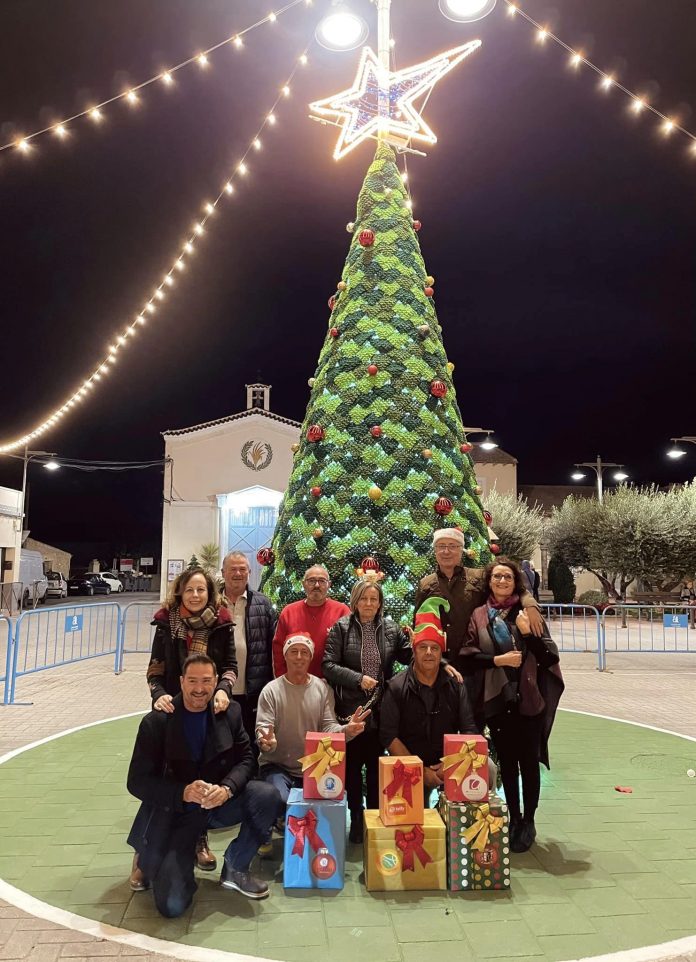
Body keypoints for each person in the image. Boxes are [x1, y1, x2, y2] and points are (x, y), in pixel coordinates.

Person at [126, 654, 278, 915]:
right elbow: (136, 781)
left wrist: (227, 788)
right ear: (181, 682)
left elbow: (247, 758)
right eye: (193, 681)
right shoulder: (157, 722)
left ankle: (235, 867)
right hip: (178, 813)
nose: (199, 688)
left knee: (266, 795)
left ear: (217, 681)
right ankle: (152, 857)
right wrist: (182, 793)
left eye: (207, 681)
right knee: (171, 907)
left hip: (218, 804)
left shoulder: (229, 712)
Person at [461, 558, 564, 853]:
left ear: (515, 581)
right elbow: (468, 654)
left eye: (507, 577)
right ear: (490, 582)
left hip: (529, 701)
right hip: (498, 700)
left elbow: (550, 658)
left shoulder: (528, 612)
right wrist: (498, 661)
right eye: (497, 578)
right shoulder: (480, 615)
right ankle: (514, 817)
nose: (502, 582)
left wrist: (529, 635)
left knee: (529, 764)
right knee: (507, 763)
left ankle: (529, 821)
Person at [144, 567, 237, 873]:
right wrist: (158, 694)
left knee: (203, 769)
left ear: (210, 593)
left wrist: (223, 689)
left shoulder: (222, 623)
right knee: (164, 775)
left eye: (201, 590)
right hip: (174, 709)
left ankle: (199, 839)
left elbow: (230, 667)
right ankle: (144, 851)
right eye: (190, 590)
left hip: (208, 708)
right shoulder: (165, 622)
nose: (196, 596)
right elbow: (155, 670)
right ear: (180, 592)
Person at [379, 596, 483, 805]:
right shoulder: (396, 687)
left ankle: (456, 822)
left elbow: (470, 729)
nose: (428, 653)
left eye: (434, 648)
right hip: (409, 760)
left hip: (449, 761)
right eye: (422, 647)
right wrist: (420, 771)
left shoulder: (456, 685)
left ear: (440, 653)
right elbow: (389, 737)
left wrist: (451, 764)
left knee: (486, 767)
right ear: (414, 652)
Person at [256, 632, 368, 821]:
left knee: (326, 804)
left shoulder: (323, 689)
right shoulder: (271, 691)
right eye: (293, 651)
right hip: (277, 766)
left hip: (313, 767)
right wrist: (266, 742)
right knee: (280, 800)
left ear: (310, 657)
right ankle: (272, 826)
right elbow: (264, 728)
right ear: (285, 655)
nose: (299, 657)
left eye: (304, 652)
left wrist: (346, 731)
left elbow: (328, 728)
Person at [414, 528, 545, 665]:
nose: (446, 551)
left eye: (452, 546)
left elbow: (517, 589)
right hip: (439, 662)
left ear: (461, 550)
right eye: (441, 546)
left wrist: (531, 605)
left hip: (473, 662)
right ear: (435, 550)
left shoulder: (477, 577)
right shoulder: (426, 584)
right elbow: (419, 626)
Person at [221, 551, 277, 742]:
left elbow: (272, 647)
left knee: (250, 742)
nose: (238, 573)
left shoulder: (263, 603)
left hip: (252, 690)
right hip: (219, 689)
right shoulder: (212, 604)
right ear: (223, 573)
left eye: (242, 569)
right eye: (232, 569)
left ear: (249, 572)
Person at [272, 565, 350, 678]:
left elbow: (350, 650)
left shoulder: (342, 611)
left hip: (332, 683)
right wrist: (283, 679)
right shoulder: (288, 612)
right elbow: (278, 649)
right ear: (303, 584)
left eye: (322, 581)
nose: (317, 585)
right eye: (311, 581)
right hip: (295, 682)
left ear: (329, 584)